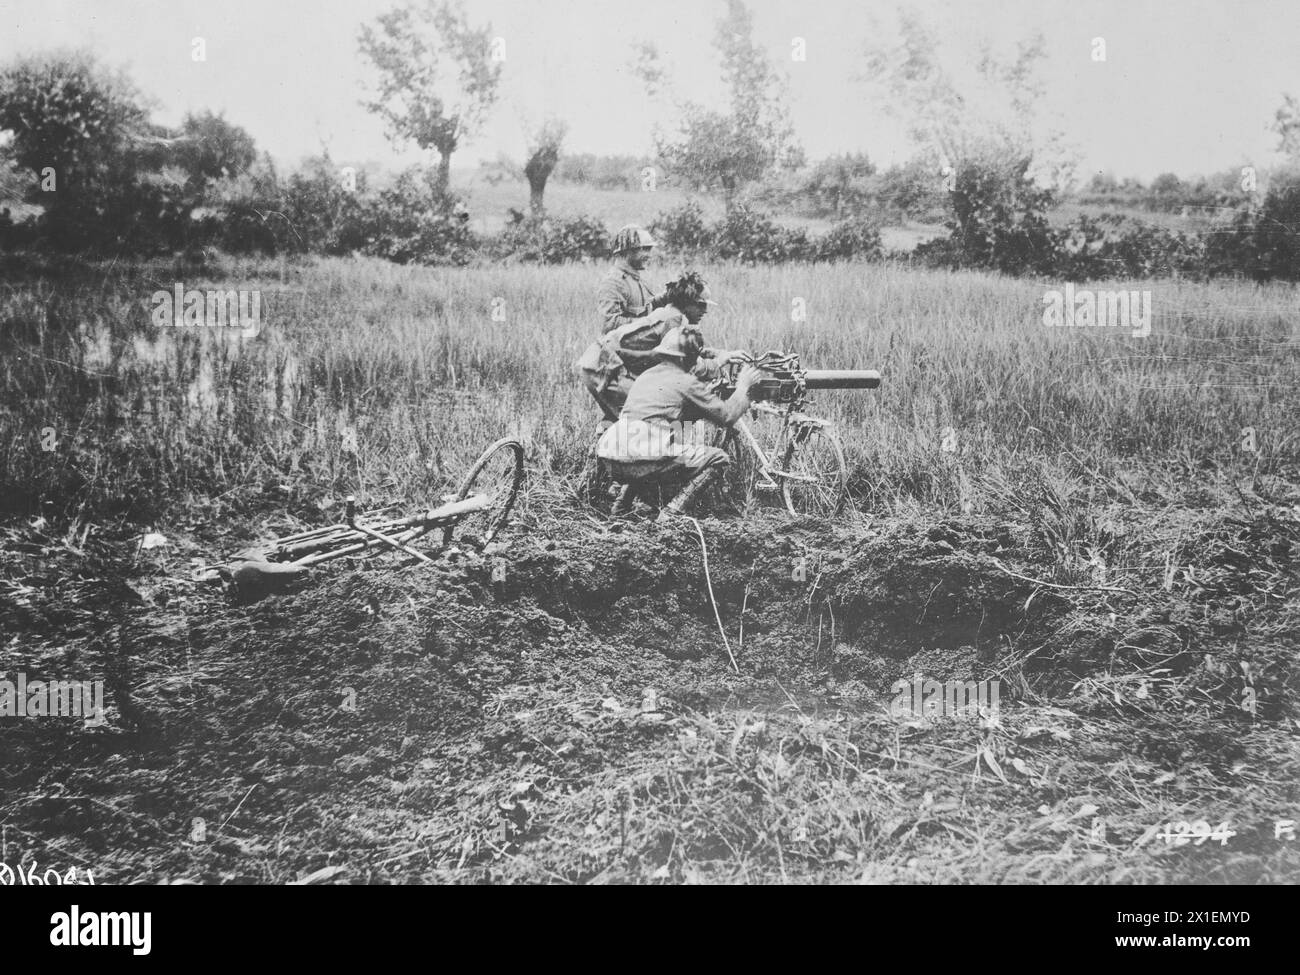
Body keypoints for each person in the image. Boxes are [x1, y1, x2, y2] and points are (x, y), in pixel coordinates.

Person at [597, 324, 763, 523]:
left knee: (652, 449)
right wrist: (744, 386)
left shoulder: (647, 376)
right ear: (690, 358)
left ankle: (621, 507)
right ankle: (671, 513)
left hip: (611, 456)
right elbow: (727, 416)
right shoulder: (686, 382)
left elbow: (674, 417)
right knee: (717, 458)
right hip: (642, 456)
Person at [578, 269, 725, 422]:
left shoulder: (672, 314)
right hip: (602, 365)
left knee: (639, 408)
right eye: (700, 305)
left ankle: (612, 440)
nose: (705, 311)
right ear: (686, 301)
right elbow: (689, 366)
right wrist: (718, 363)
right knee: (647, 409)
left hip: (603, 361)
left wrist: (712, 354)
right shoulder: (674, 321)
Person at [577, 225, 661, 420]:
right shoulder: (613, 283)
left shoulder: (639, 281)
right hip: (613, 368)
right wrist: (650, 323)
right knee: (635, 418)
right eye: (645, 249)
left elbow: (651, 306)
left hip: (632, 365)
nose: (649, 255)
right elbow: (610, 324)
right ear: (627, 250)